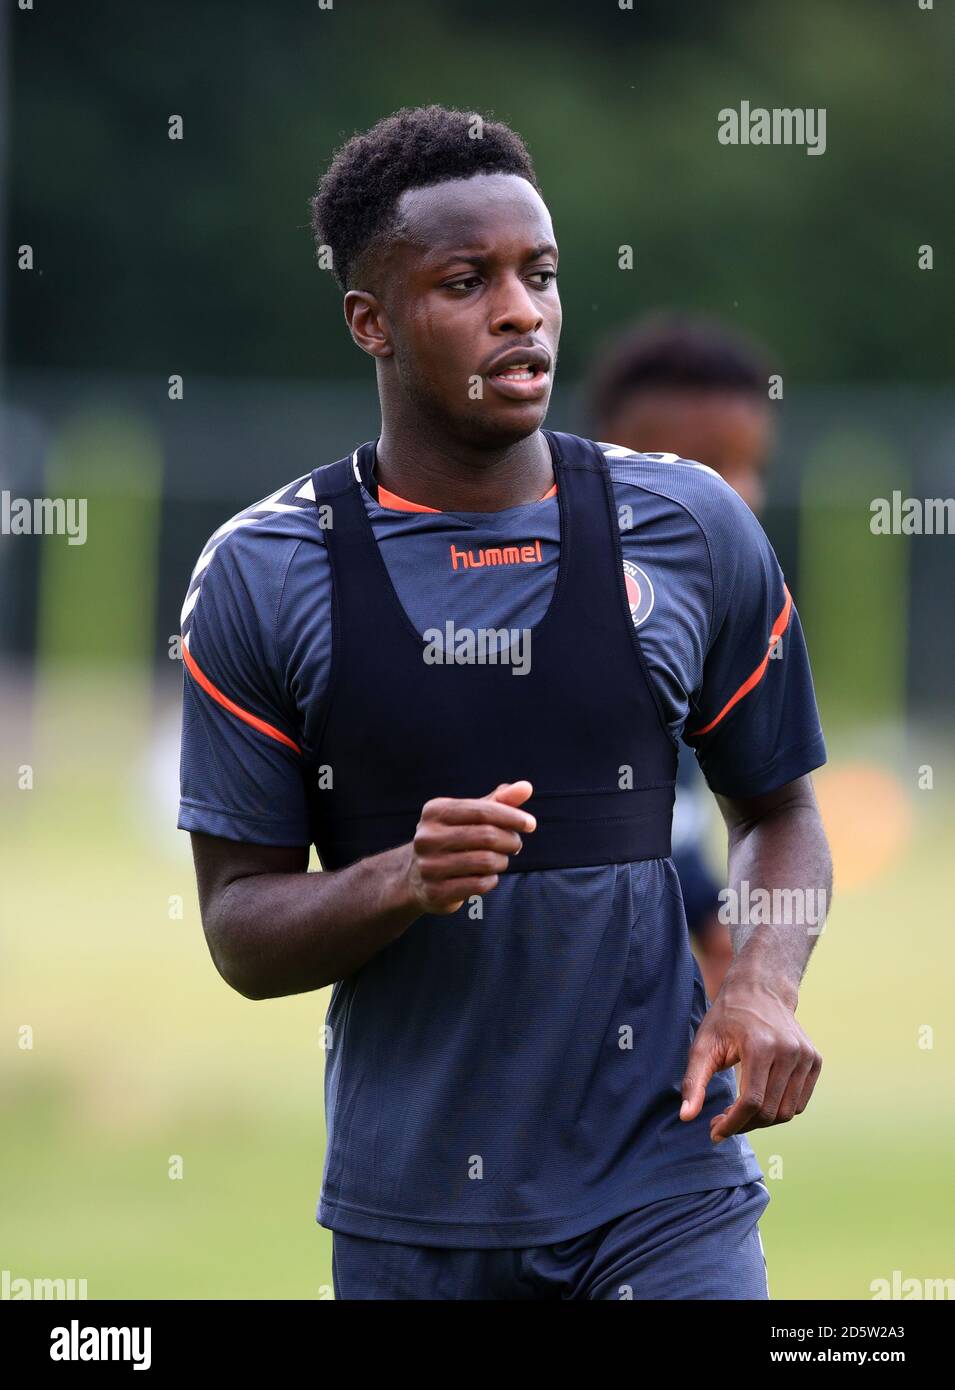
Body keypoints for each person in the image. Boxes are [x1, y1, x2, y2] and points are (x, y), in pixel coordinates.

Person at [178, 105, 830, 1301]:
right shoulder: (264, 571)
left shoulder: (690, 526)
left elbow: (780, 806)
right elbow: (239, 933)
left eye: (538, 274)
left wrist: (759, 980)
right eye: (465, 281)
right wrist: (399, 877)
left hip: (666, 1191)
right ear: (370, 321)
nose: (520, 310)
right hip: (411, 1215)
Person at [587, 316, 777, 999]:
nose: (743, 493)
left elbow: (680, 798)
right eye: (713, 464)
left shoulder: (708, 602)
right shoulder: (574, 596)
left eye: (752, 465)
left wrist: (705, 912)